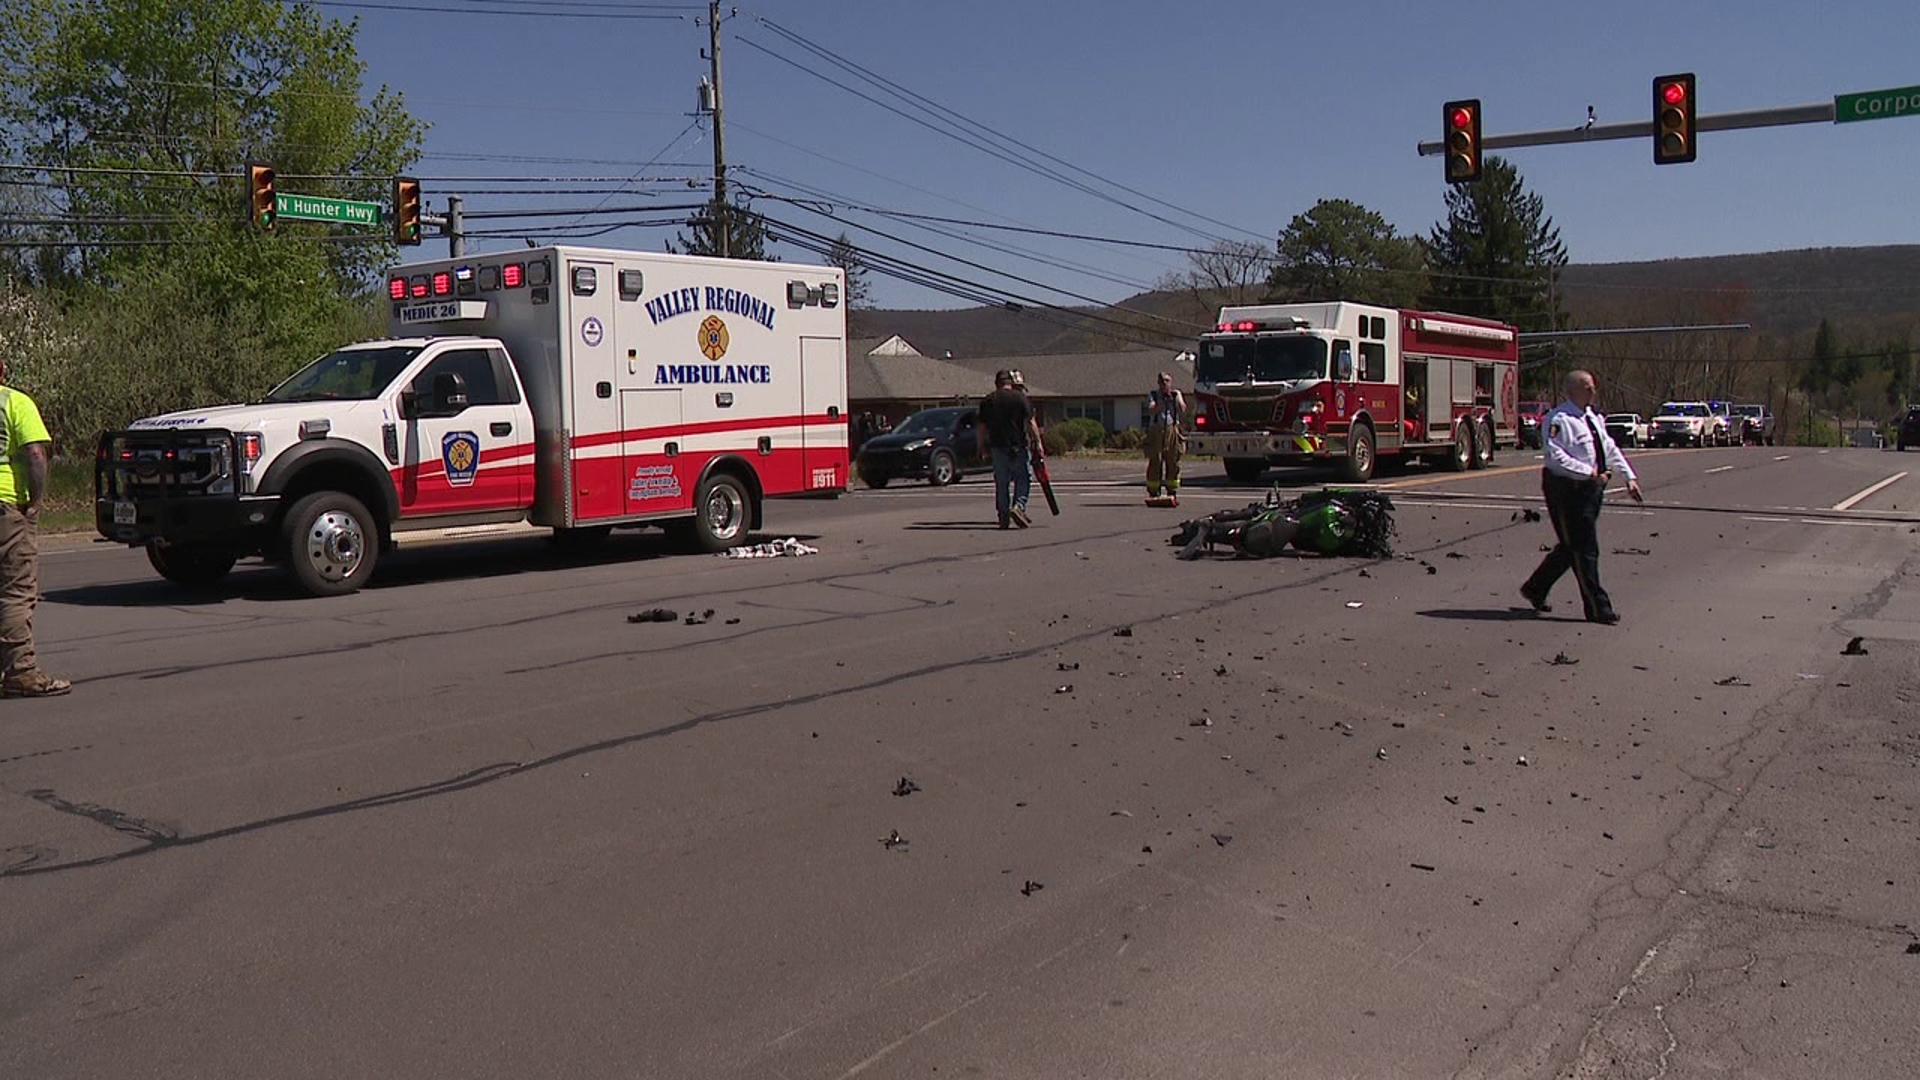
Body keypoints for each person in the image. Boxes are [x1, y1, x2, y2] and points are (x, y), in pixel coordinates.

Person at [1520, 370, 1644, 625]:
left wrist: (1628, 477)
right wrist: (1588, 472)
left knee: (1571, 547)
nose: (1593, 391)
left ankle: (1535, 587)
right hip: (1566, 491)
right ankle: (1598, 608)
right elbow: (1556, 457)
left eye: (1593, 387)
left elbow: (1609, 448)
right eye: (1587, 387)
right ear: (1572, 390)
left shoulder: (1593, 418)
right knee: (1585, 548)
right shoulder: (1558, 420)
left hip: (1591, 489)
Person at [0, 362, 70, 697]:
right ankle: (21, 672)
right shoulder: (15, 402)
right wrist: (36, 501)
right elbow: (35, 454)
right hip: (6, 506)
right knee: (15, 591)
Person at [976, 369, 1041, 529]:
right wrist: (1037, 442)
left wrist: (981, 446)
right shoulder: (1020, 398)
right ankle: (1019, 506)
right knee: (1023, 477)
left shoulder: (988, 401)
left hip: (998, 446)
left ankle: (1003, 515)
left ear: (996, 383)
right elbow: (1030, 422)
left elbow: (982, 427)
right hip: (1017, 445)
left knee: (1001, 482)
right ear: (1010, 383)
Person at [1144, 372, 1186, 505]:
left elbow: (1183, 409)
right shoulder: (1154, 395)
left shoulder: (1175, 394)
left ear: (1171, 382)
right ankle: (1154, 490)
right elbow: (1151, 410)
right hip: (1156, 429)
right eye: (1162, 382)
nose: (1164, 384)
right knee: (1155, 459)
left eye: (1167, 381)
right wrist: (1161, 401)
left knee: (1173, 459)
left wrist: (1176, 397)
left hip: (1172, 428)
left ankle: (1172, 490)